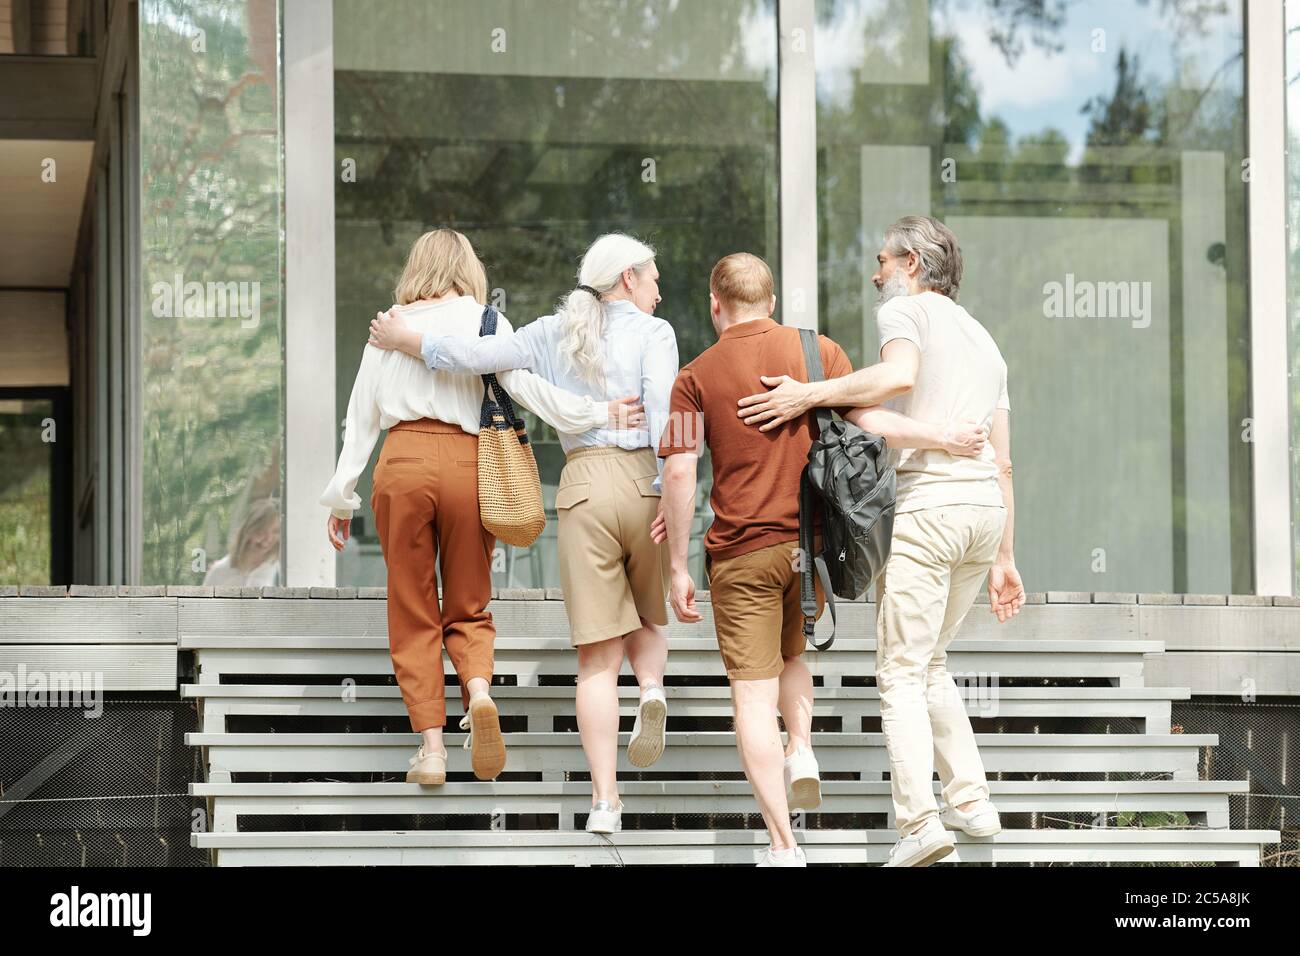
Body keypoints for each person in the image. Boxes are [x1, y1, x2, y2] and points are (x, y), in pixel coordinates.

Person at [655, 252, 989, 867]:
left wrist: (677, 563)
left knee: (751, 698)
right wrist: (943, 437)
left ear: (714, 303)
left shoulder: (694, 375)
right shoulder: (819, 352)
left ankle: (783, 846)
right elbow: (873, 423)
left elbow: (679, 473)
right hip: (807, 553)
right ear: (771, 301)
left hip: (741, 554)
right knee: (794, 657)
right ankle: (802, 746)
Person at [734, 215, 1026, 867]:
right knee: (932, 662)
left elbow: (897, 377)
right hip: (982, 512)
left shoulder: (907, 313)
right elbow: (1004, 461)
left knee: (899, 670)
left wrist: (809, 394)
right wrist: (1006, 556)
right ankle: (973, 801)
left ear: (912, 264)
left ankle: (920, 822)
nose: (875, 274)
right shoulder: (985, 341)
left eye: (883, 261)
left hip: (929, 509)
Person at [368, 233, 678, 834]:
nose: (659, 292)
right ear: (628, 278)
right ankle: (650, 691)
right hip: (644, 483)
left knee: (596, 657)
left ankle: (604, 802)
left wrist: (410, 341)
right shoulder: (655, 333)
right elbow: (666, 412)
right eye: (654, 279)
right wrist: (671, 487)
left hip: (583, 486)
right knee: (648, 615)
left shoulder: (550, 330)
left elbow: (476, 357)